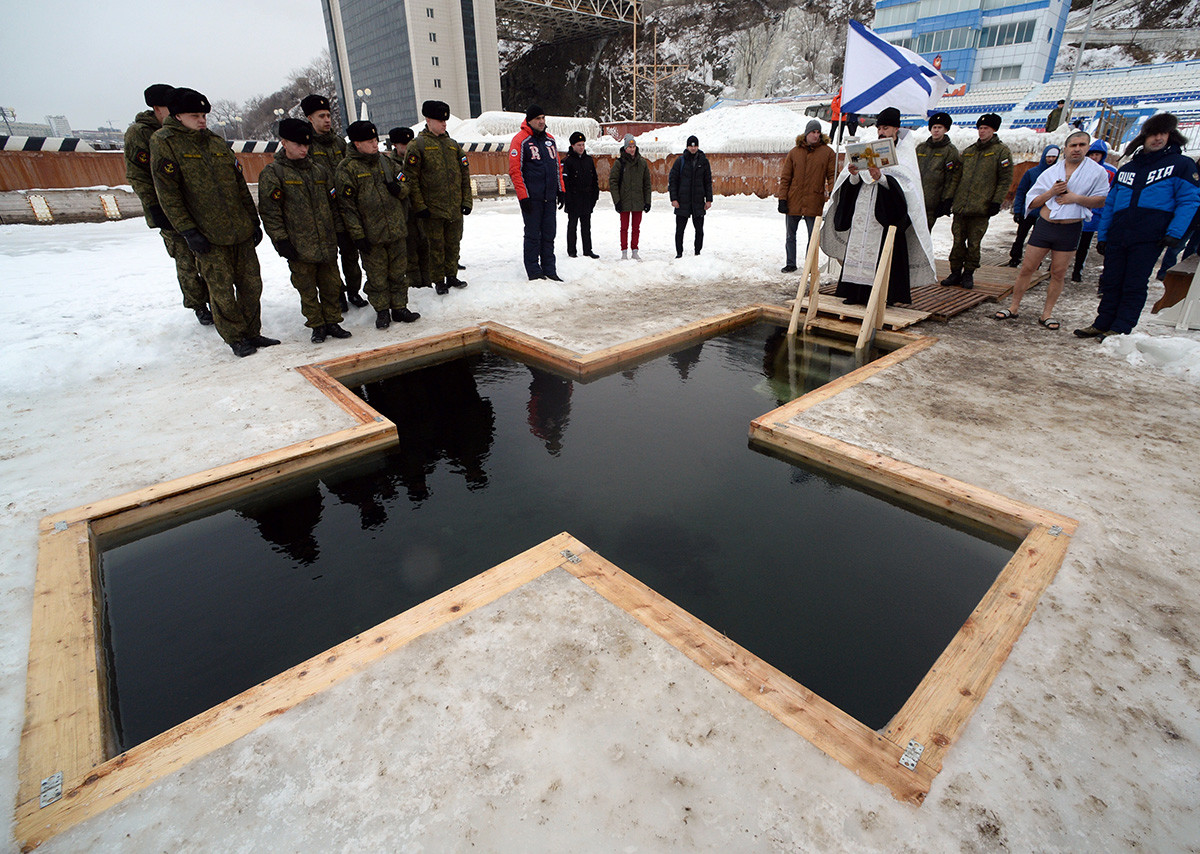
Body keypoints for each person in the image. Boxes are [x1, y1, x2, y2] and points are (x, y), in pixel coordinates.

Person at [150, 87, 278, 358]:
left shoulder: (215, 142)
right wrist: (188, 230)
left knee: (251, 285)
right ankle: (236, 337)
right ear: (178, 115)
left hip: (239, 229)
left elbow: (239, 184)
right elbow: (168, 194)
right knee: (221, 289)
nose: (201, 121)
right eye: (195, 116)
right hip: (208, 234)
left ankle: (252, 331)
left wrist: (253, 221)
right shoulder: (165, 142)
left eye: (204, 116)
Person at [1075, 113, 1200, 340]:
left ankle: (1121, 327)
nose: (1157, 138)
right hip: (1119, 233)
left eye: (1162, 133)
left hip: (1150, 236)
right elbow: (1111, 204)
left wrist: (1175, 232)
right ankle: (1102, 323)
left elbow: (1189, 200)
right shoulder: (1128, 168)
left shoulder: (1181, 165)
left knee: (1134, 282)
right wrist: (1103, 235)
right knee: (1111, 280)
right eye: (1152, 134)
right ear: (1144, 137)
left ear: (1171, 135)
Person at [820, 106, 937, 307]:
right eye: (879, 128)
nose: (882, 132)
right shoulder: (868, 149)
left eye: (886, 128)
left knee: (882, 254)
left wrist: (882, 178)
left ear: (896, 129)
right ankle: (854, 292)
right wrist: (854, 175)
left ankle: (881, 295)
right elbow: (853, 185)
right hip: (863, 211)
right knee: (858, 250)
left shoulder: (904, 155)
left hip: (884, 215)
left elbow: (907, 189)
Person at [994, 131, 1110, 330]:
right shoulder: (1051, 172)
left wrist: (1076, 198)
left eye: (1082, 145)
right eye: (1073, 145)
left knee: (1058, 272)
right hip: (1045, 225)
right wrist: (1051, 192)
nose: (1077, 149)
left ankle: (1047, 313)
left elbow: (1102, 200)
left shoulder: (1097, 172)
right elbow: (1033, 201)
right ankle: (1013, 306)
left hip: (1070, 228)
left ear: (1088, 147)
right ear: (1066, 148)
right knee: (1027, 268)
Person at [257, 118, 352, 344]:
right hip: (298, 245)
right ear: (284, 143)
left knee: (331, 284)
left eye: (307, 145)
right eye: (298, 144)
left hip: (326, 242)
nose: (303, 149)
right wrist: (281, 240)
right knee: (307, 288)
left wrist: (339, 231)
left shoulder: (319, 171)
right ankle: (317, 325)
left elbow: (333, 205)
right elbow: (270, 212)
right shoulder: (274, 173)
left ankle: (332, 321)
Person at [125, 84, 212, 327]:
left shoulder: (184, 130)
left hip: (197, 208)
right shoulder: (140, 134)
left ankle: (216, 299)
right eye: (168, 107)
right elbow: (138, 175)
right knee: (185, 259)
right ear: (156, 108)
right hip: (168, 210)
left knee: (208, 256)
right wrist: (155, 207)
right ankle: (199, 304)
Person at [335, 120, 419, 329]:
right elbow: (347, 207)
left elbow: (407, 182)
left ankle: (399, 307)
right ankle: (382, 311)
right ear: (357, 144)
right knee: (377, 276)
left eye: (375, 140)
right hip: (371, 235)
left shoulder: (386, 162)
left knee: (398, 273)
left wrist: (399, 189)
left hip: (396, 230)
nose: (375, 145)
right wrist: (358, 235)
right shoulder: (347, 169)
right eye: (370, 141)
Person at [301, 94, 367, 310]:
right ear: (310, 118)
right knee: (329, 259)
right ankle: (336, 294)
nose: (327, 120)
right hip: (322, 212)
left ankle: (353, 291)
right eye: (321, 116)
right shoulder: (306, 145)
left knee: (350, 255)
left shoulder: (339, 142)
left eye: (328, 115)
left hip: (344, 208)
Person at [405, 100, 471, 294]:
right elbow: (411, 179)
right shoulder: (418, 145)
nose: (444, 124)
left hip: (454, 208)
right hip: (432, 209)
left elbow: (464, 175)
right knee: (435, 246)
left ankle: (451, 275)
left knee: (453, 243)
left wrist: (466, 201)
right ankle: (438, 280)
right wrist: (420, 206)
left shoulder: (453, 146)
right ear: (428, 120)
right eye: (440, 120)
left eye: (445, 121)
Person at [942, 113, 1013, 290]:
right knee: (957, 241)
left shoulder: (1001, 152)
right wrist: (949, 197)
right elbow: (957, 176)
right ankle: (955, 272)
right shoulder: (969, 152)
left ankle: (968, 273)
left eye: (986, 128)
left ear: (993, 130)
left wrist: (996, 201)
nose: (982, 131)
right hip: (961, 206)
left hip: (981, 207)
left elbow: (1005, 180)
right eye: (980, 128)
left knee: (974, 243)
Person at [508, 105, 564, 280]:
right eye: (537, 118)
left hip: (549, 197)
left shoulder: (550, 140)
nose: (541, 121)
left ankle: (549, 269)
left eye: (543, 117)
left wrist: (561, 190)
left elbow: (557, 167)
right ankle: (533, 271)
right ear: (529, 121)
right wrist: (523, 196)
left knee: (549, 234)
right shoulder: (520, 141)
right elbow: (515, 171)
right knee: (533, 235)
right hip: (532, 198)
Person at [776, 120, 834, 272]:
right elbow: (786, 178)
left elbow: (832, 176)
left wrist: (833, 194)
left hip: (814, 199)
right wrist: (782, 198)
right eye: (813, 132)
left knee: (813, 236)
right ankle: (790, 263)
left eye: (818, 132)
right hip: (794, 199)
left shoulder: (828, 153)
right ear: (806, 133)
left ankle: (809, 265)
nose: (816, 135)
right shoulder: (794, 152)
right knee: (790, 235)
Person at [389, 126, 432, 288]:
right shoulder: (390, 165)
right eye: (404, 144)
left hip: (421, 212)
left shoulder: (418, 160)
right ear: (395, 145)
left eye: (409, 143)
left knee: (426, 250)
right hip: (404, 216)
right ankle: (416, 286)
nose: (407, 147)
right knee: (410, 253)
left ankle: (428, 284)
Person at [1007, 144, 1060, 267]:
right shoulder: (1032, 172)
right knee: (1020, 236)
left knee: (1039, 240)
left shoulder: (1058, 174)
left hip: (1045, 214)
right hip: (1028, 211)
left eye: (1053, 157)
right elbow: (1021, 191)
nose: (1050, 159)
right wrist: (1018, 210)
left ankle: (1035, 261)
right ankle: (1015, 257)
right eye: (1048, 156)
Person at [1072, 139, 1117, 282]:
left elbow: (1111, 194)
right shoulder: (1079, 168)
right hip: (1075, 210)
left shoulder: (1110, 171)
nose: (1094, 157)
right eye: (1091, 154)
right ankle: (1054, 267)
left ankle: (1077, 271)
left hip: (1095, 214)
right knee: (1067, 242)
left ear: (1102, 155)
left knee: (1084, 245)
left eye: (1097, 155)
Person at [915, 111, 961, 232]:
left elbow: (952, 178)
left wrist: (946, 200)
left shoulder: (950, 151)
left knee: (924, 234)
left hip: (932, 203)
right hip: (916, 200)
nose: (936, 130)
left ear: (946, 129)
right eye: (934, 127)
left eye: (940, 127)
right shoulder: (921, 148)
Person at [669, 135, 713, 258]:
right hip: (682, 201)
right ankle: (679, 253)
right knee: (680, 230)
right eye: (691, 146)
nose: (693, 148)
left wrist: (709, 199)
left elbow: (707, 181)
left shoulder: (703, 161)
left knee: (699, 230)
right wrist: (674, 198)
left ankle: (697, 253)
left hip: (698, 201)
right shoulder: (680, 161)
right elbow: (673, 180)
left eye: (695, 146)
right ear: (687, 147)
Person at [610, 133, 652, 260]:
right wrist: (617, 201)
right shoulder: (619, 163)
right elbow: (613, 182)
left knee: (636, 227)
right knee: (624, 227)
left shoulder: (642, 163)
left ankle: (635, 250)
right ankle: (624, 251)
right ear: (625, 148)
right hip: (624, 200)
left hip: (638, 201)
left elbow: (647, 183)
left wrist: (647, 201)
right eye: (629, 147)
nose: (632, 149)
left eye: (633, 147)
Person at [562, 130, 600, 259]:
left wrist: (595, 195)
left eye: (583, 144)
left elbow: (594, 179)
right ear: (572, 146)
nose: (581, 147)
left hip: (586, 198)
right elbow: (565, 182)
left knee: (586, 226)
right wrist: (567, 198)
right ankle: (572, 251)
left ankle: (587, 250)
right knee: (572, 226)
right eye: (579, 145)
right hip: (573, 199)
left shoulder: (588, 160)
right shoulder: (567, 161)